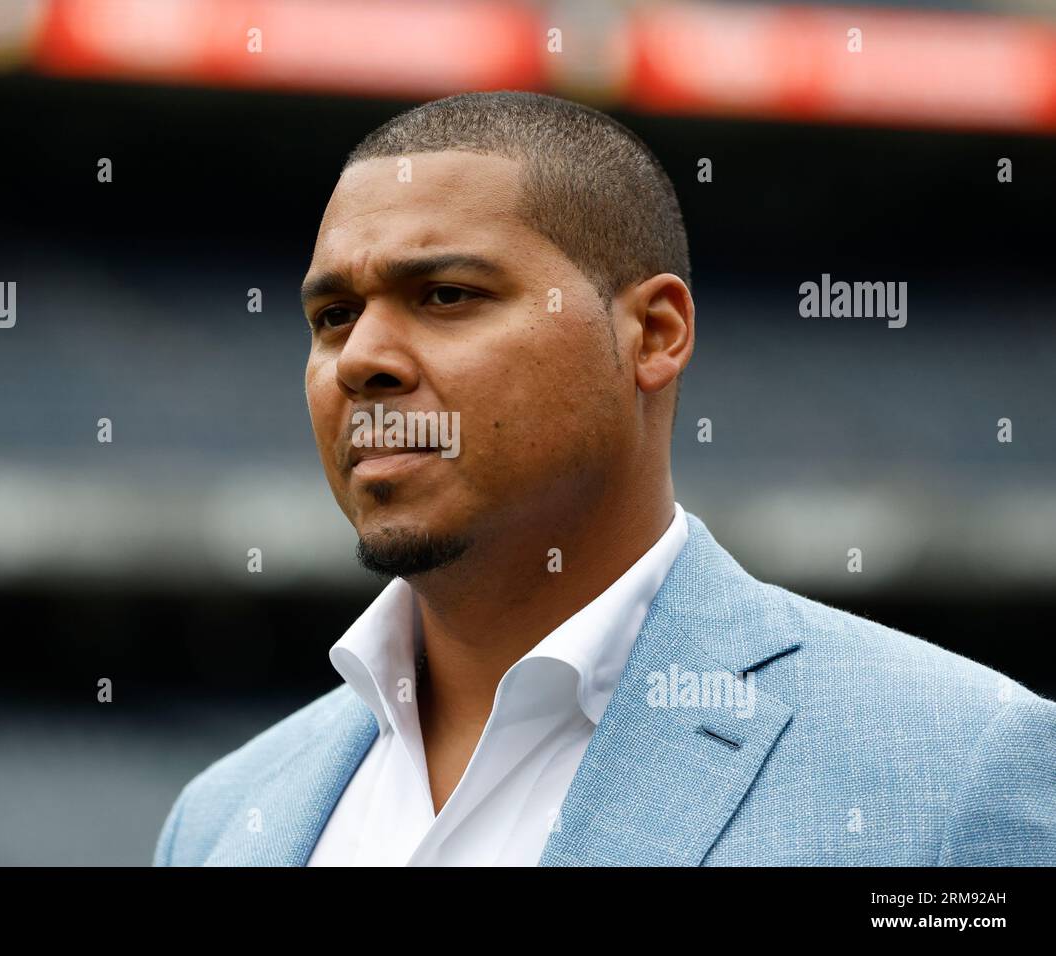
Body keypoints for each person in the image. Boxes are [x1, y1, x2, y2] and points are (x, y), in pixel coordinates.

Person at [155, 91, 1056, 866]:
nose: (362, 361)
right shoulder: (222, 818)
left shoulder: (955, 771)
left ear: (654, 335)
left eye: (446, 296)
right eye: (333, 315)